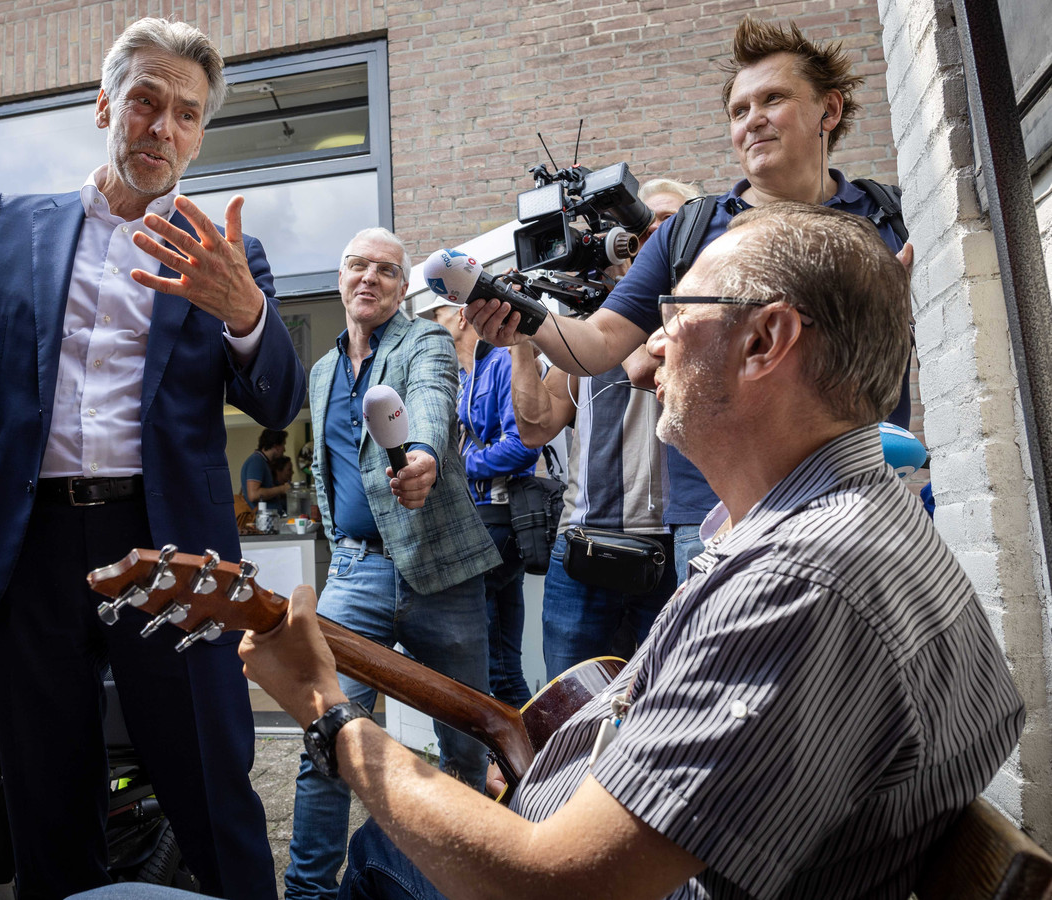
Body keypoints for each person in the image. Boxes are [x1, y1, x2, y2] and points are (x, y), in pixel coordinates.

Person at [223, 202, 1025, 900]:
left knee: (380, 852)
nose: (649, 348)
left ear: (764, 341)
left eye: (675, 311)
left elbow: (556, 882)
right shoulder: (836, 519)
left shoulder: (797, 584)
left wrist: (327, 714)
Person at [0, 17, 306, 900]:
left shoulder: (228, 255)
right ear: (105, 106)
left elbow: (277, 402)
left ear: (200, 135)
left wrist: (247, 315)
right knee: (47, 801)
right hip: (33, 547)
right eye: (145, 102)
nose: (163, 127)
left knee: (210, 784)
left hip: (169, 550)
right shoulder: (11, 226)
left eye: (187, 114)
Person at [468, 16, 915, 583]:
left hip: (858, 488)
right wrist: (525, 320)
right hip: (715, 510)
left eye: (773, 99)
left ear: (828, 110)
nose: (752, 120)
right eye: (738, 110)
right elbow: (599, 344)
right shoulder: (689, 230)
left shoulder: (891, 216)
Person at [285, 227, 499, 900]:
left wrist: (424, 456)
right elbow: (326, 471)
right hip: (354, 576)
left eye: (385, 269)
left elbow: (433, 401)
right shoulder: (321, 371)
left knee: (466, 743)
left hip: (441, 572)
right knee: (326, 737)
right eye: (358, 265)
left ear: (403, 286)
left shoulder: (425, 340)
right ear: (340, 278)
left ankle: (462, 880)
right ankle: (309, 892)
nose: (369, 277)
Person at [511, 179, 697, 675]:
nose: (651, 234)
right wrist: (520, 336)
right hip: (585, 544)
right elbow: (536, 428)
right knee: (569, 702)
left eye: (668, 223)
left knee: (667, 698)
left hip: (673, 543)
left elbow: (639, 366)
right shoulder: (589, 323)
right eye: (640, 224)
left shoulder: (702, 312)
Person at [425, 299, 538, 707]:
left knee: (469, 658)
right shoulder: (461, 376)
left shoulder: (503, 363)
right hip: (483, 522)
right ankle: (527, 746)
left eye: (434, 316)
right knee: (502, 669)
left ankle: (482, 742)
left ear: (459, 317)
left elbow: (524, 445)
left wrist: (456, 466)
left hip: (498, 523)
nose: (429, 327)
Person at [241, 427, 289, 512]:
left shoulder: (263, 462)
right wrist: (282, 489)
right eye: (283, 445)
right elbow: (253, 495)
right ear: (276, 446)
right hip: (265, 518)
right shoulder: (256, 461)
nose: (284, 449)